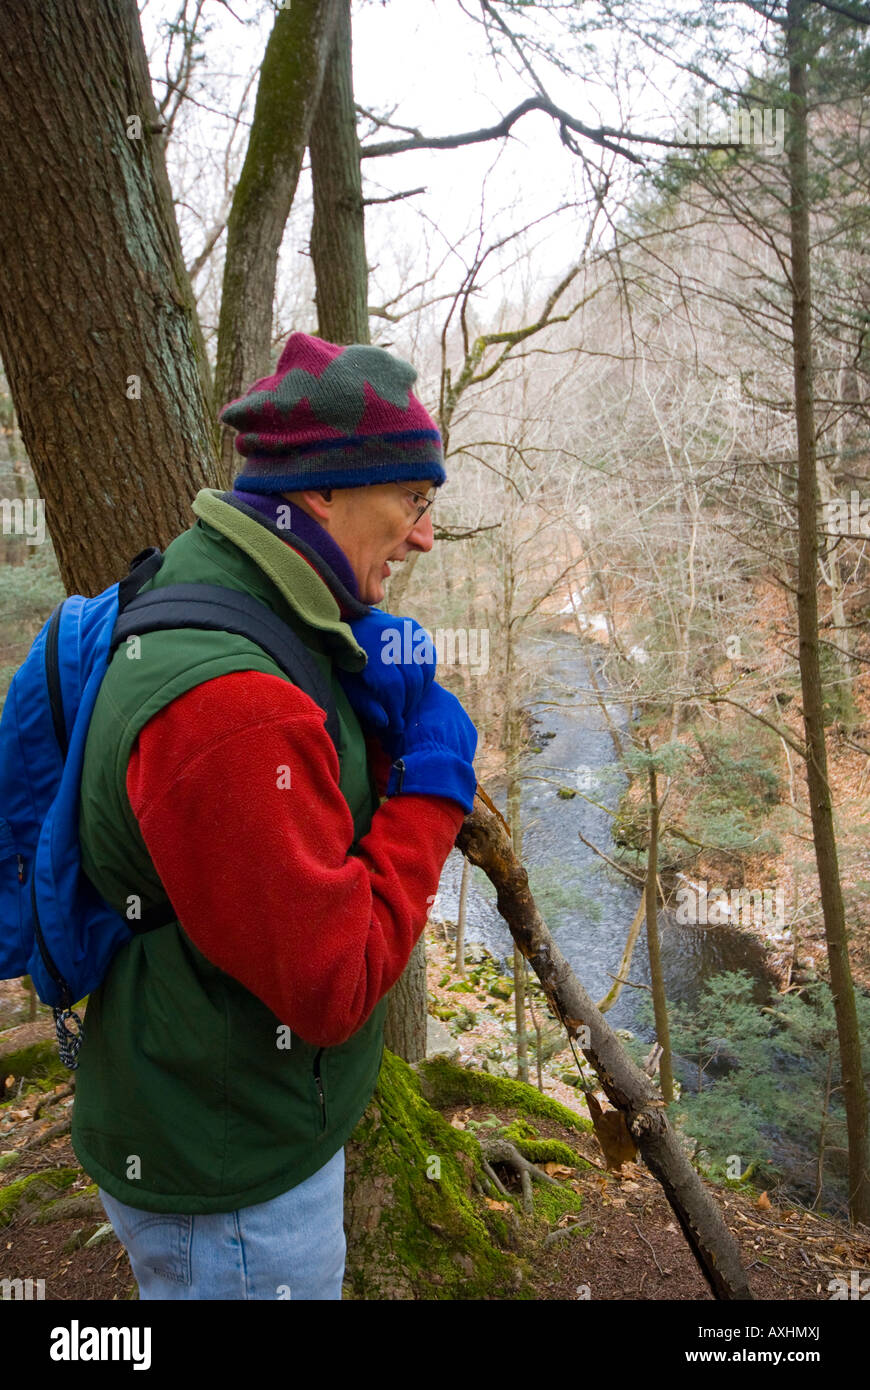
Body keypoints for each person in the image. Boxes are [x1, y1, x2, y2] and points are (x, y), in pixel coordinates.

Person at [71, 332, 478, 1300]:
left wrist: (345, 646)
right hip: (229, 1166)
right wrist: (430, 783)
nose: (424, 536)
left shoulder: (207, 579)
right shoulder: (233, 705)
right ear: (323, 497)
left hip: (209, 1094)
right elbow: (333, 987)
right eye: (412, 503)